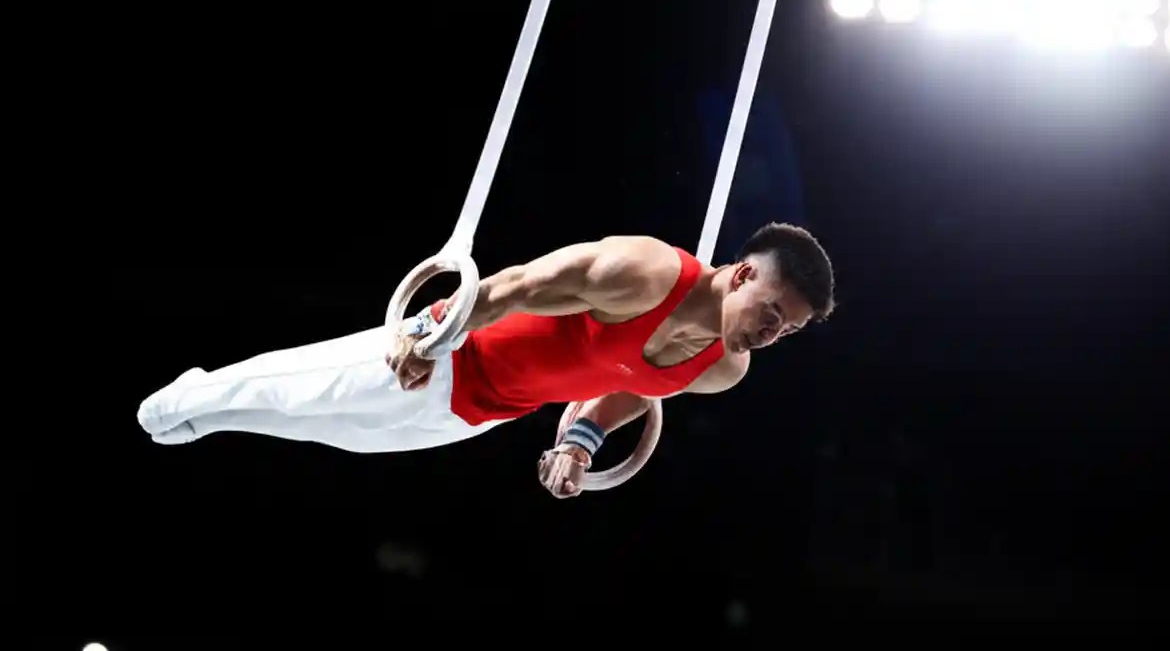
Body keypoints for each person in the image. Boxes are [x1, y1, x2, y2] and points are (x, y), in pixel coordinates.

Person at [137, 222, 835, 498]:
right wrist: (430, 334)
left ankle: (212, 417)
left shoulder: (723, 367)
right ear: (743, 275)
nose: (771, 334)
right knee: (301, 395)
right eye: (772, 312)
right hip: (449, 354)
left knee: (335, 433)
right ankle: (193, 396)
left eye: (789, 331)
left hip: (483, 411)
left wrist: (582, 442)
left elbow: (629, 388)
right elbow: (516, 285)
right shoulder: (646, 273)